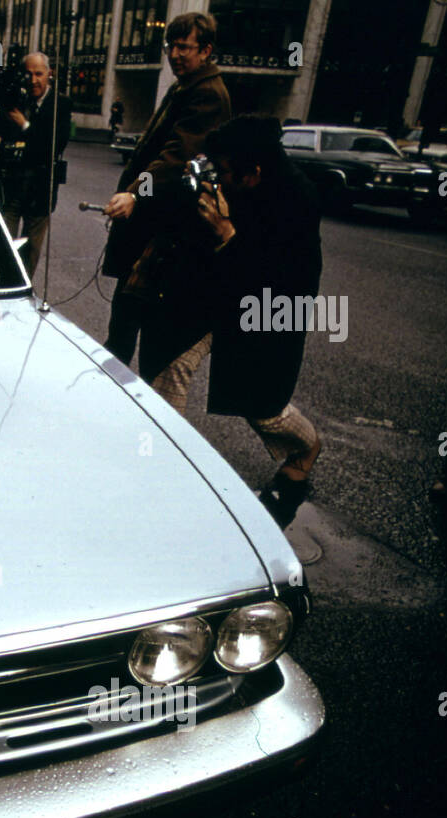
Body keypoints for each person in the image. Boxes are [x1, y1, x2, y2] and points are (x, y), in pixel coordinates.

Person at [149, 115, 323, 528]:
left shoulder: (298, 202)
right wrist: (139, 201)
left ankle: (307, 447)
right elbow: (183, 189)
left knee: (262, 408)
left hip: (269, 310)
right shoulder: (239, 177)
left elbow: (279, 284)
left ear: (253, 173)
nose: (218, 180)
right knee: (172, 364)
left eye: (224, 172)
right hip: (220, 291)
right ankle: (157, 468)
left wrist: (227, 233)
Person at [101, 11, 231, 375]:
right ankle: (117, 397)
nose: (174, 54)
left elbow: (175, 157)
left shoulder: (207, 94)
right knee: (126, 322)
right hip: (156, 231)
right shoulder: (184, 86)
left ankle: (138, 410)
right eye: (170, 46)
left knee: (146, 332)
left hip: (169, 234)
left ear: (205, 50)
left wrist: (136, 195)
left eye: (183, 47)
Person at [0, 51, 71, 278]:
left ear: (49, 74)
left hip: (40, 190)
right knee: (4, 243)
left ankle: (22, 290)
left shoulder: (60, 105)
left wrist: (24, 125)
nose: (33, 80)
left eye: (39, 74)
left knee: (31, 250)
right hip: (12, 187)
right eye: (28, 74)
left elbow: (53, 146)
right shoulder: (17, 99)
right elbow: (1, 129)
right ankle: (1, 284)